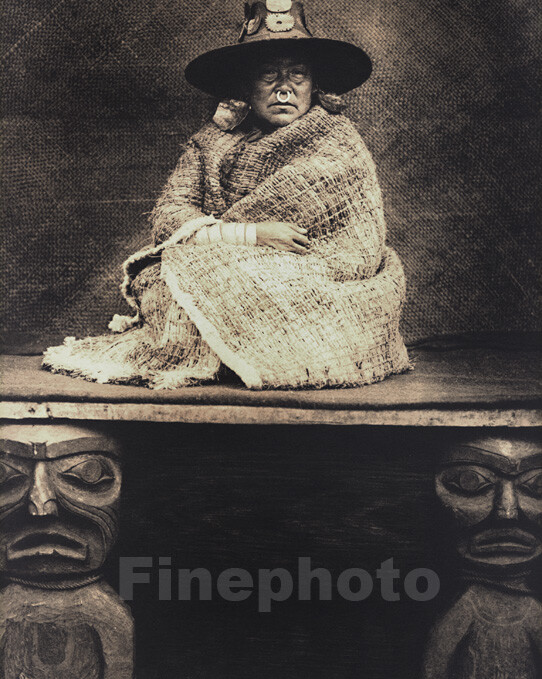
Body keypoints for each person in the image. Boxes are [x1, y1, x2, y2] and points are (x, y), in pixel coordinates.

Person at [44, 0, 410, 390]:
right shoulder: (210, 144)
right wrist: (251, 235)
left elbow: (355, 250)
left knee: (255, 289)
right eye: (268, 74)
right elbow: (170, 215)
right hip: (221, 268)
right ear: (245, 86)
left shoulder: (339, 145)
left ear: (314, 85)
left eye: (298, 74)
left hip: (312, 278)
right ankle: (227, 347)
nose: (284, 88)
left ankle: (252, 349)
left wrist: (260, 263)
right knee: (159, 282)